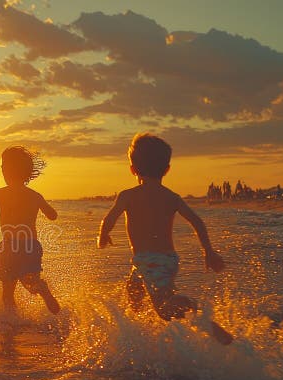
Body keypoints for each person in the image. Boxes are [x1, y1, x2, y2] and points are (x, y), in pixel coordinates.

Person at [97, 133, 233, 345]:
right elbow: (197, 222)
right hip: (162, 260)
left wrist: (103, 236)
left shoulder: (128, 195)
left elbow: (109, 219)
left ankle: (194, 309)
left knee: (165, 309)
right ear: (167, 169)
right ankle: (142, 333)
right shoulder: (172, 197)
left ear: (132, 169)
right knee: (133, 290)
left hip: (149, 261)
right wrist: (208, 251)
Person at [0, 146, 60, 315]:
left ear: (7, 170)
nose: (1, 169)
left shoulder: (0, 194)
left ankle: (11, 323)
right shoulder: (35, 195)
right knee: (31, 283)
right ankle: (42, 289)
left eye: (3, 166)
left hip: (9, 247)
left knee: (8, 292)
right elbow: (53, 215)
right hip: (30, 246)